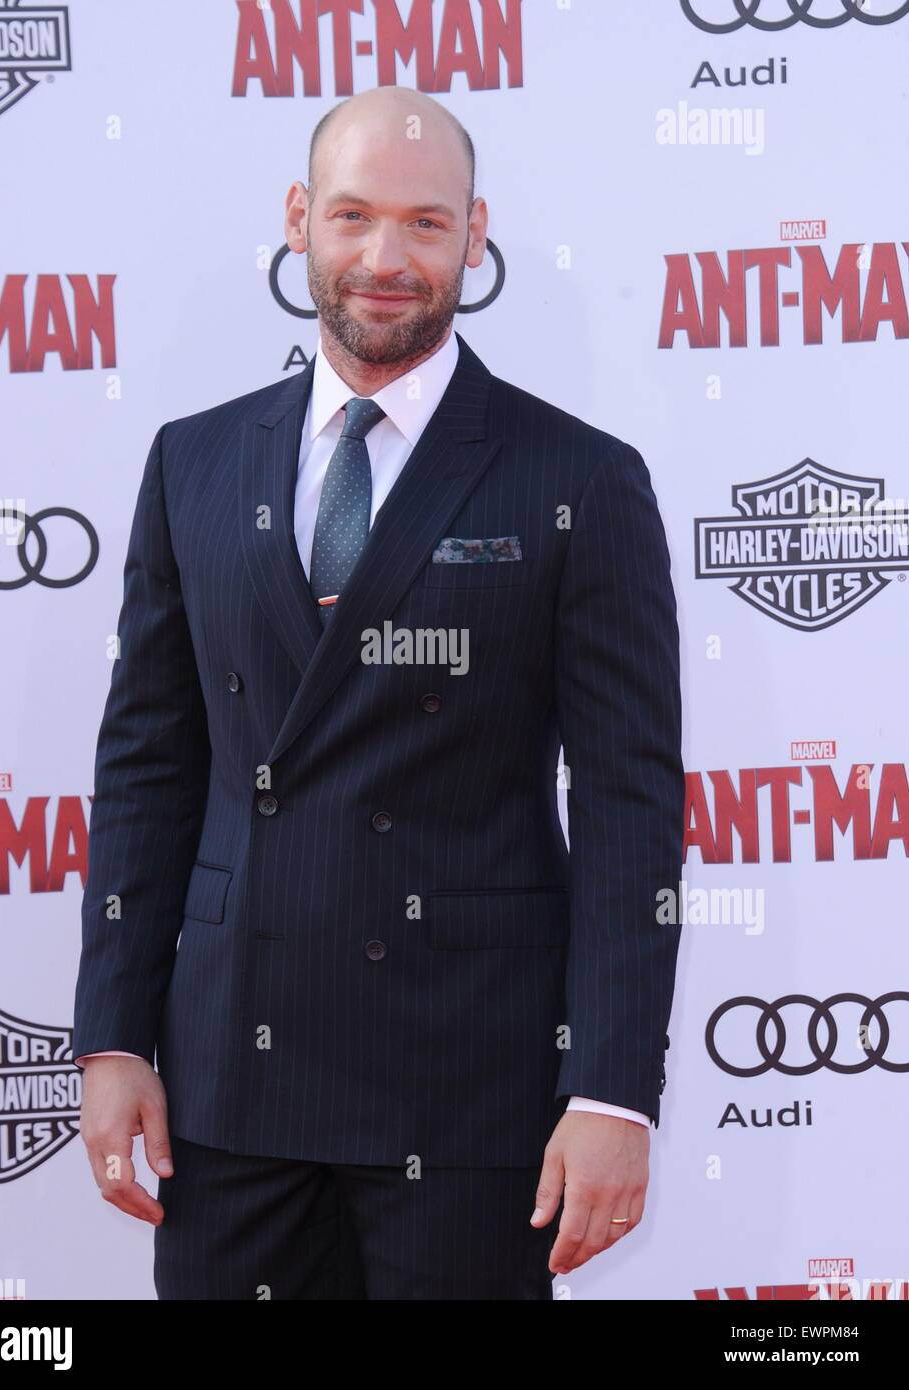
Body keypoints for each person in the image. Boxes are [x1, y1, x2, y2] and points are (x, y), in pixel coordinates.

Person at [73, 84, 683, 1301]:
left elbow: (628, 802)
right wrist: (111, 1034)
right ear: (299, 221)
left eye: (426, 223)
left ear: (475, 235)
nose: (386, 258)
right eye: (352, 216)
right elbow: (149, 762)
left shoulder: (578, 477)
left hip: (468, 1084)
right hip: (231, 1080)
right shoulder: (191, 461)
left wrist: (612, 1087)